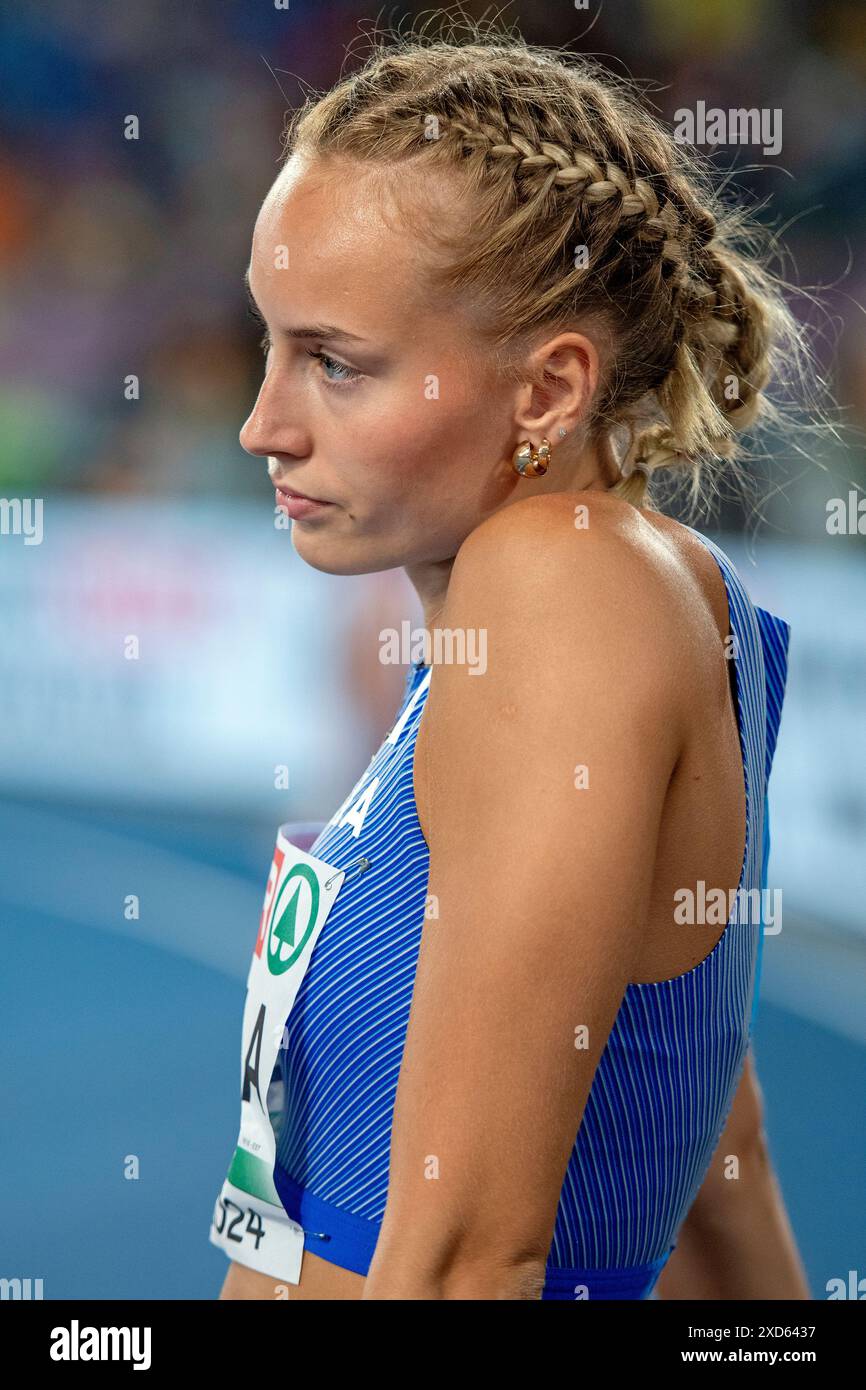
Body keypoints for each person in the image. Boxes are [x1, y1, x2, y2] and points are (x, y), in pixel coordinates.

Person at [213, 25, 813, 1301]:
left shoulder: (564, 583)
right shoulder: (610, 604)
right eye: (267, 347)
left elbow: (461, 1263)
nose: (262, 424)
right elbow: (713, 1142)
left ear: (546, 393)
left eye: (333, 362)